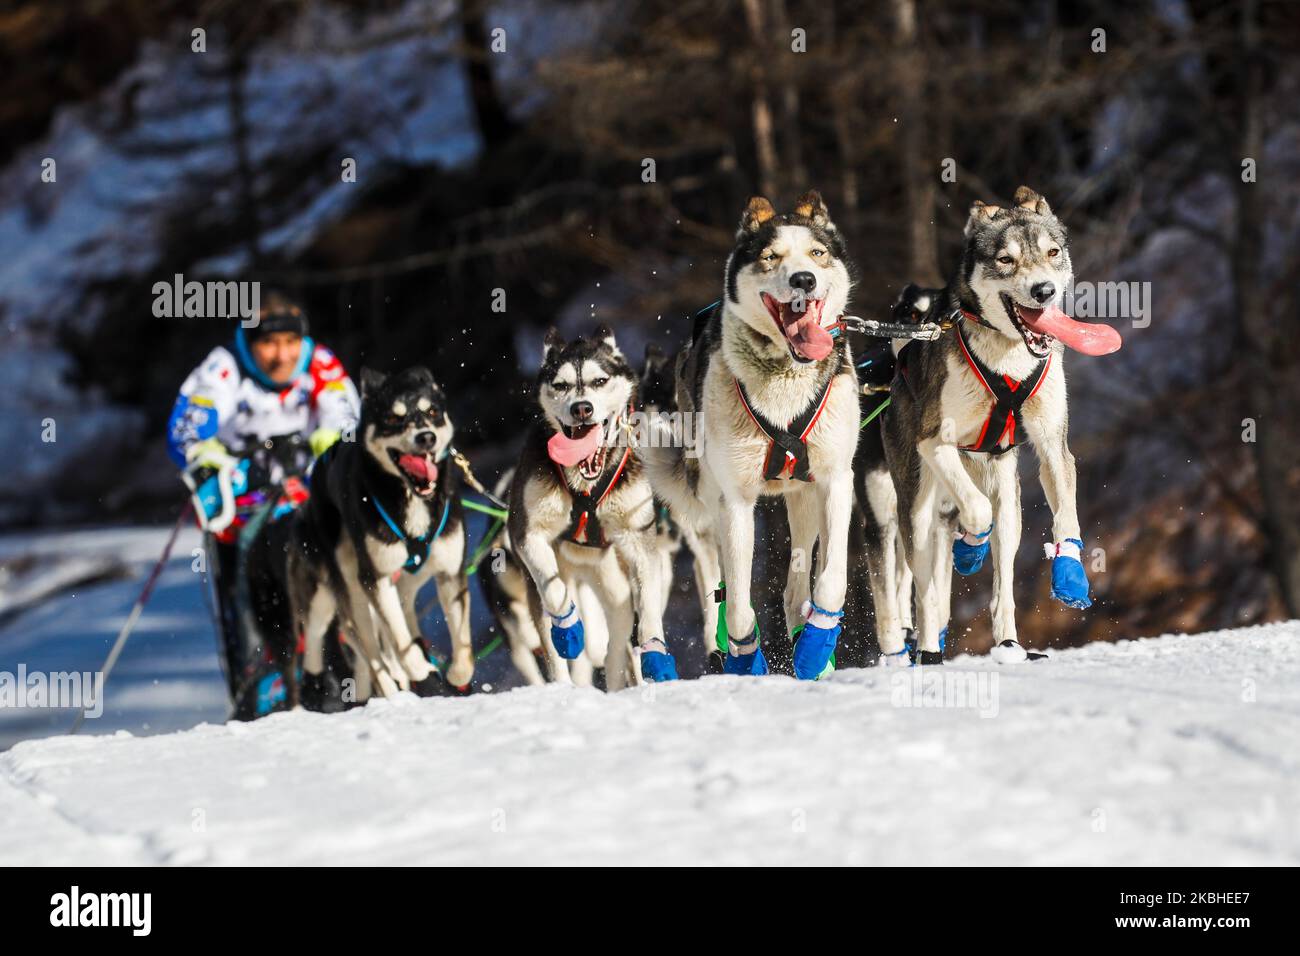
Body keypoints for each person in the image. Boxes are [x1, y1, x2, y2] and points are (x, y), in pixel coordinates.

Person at [167, 291, 360, 710]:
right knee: (250, 610)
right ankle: (258, 682)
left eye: (291, 342)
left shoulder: (319, 362)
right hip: (242, 513)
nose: (281, 355)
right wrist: (227, 465)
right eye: (269, 344)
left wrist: (322, 456)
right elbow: (187, 431)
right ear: (250, 344)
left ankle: (353, 658)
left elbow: (344, 421)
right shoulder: (223, 368)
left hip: (308, 503)